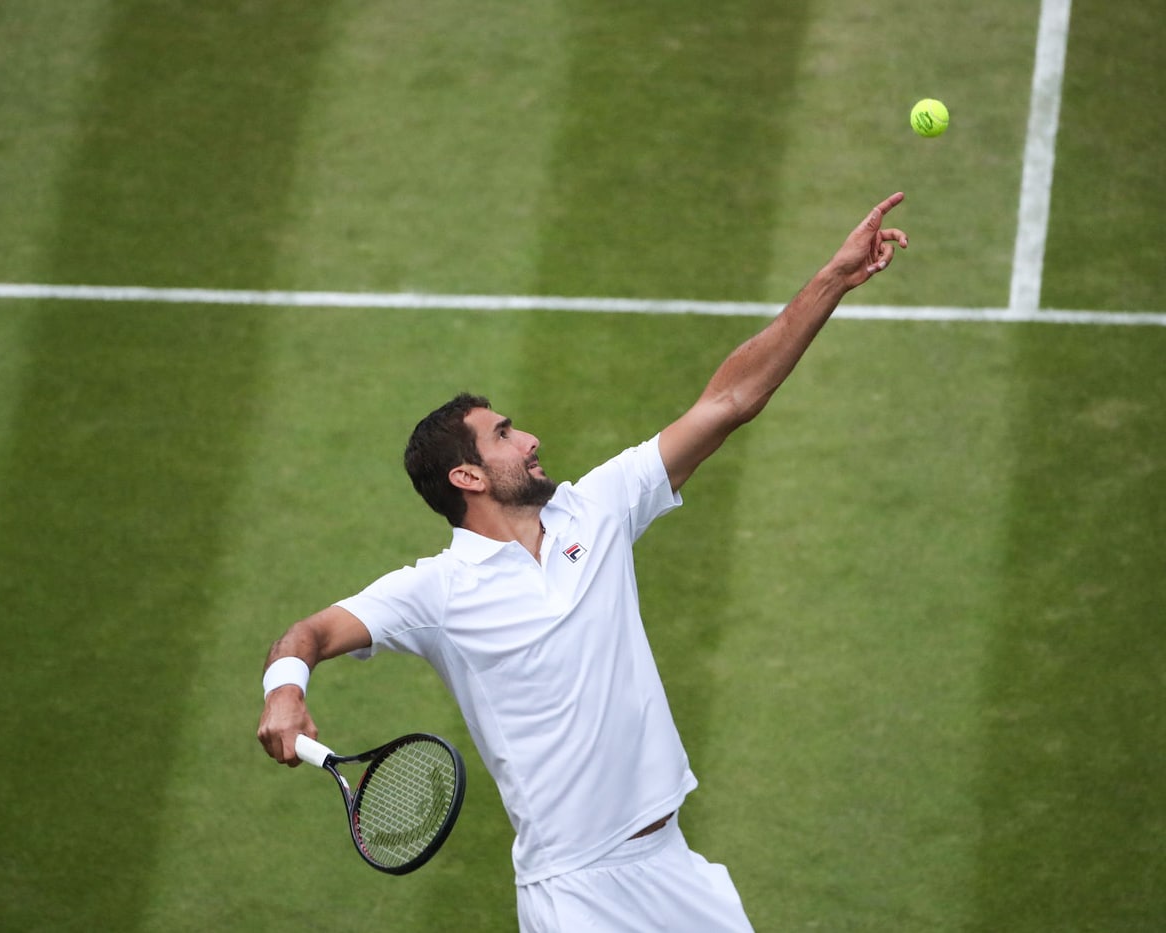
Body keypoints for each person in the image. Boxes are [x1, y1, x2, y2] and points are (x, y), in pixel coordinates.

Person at [257, 193, 910, 931]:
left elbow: (729, 399)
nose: (529, 437)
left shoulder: (595, 507)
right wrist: (286, 688)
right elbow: (306, 633)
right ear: (467, 477)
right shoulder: (434, 591)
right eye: (503, 434)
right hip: (576, 896)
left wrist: (832, 277)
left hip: (671, 865)